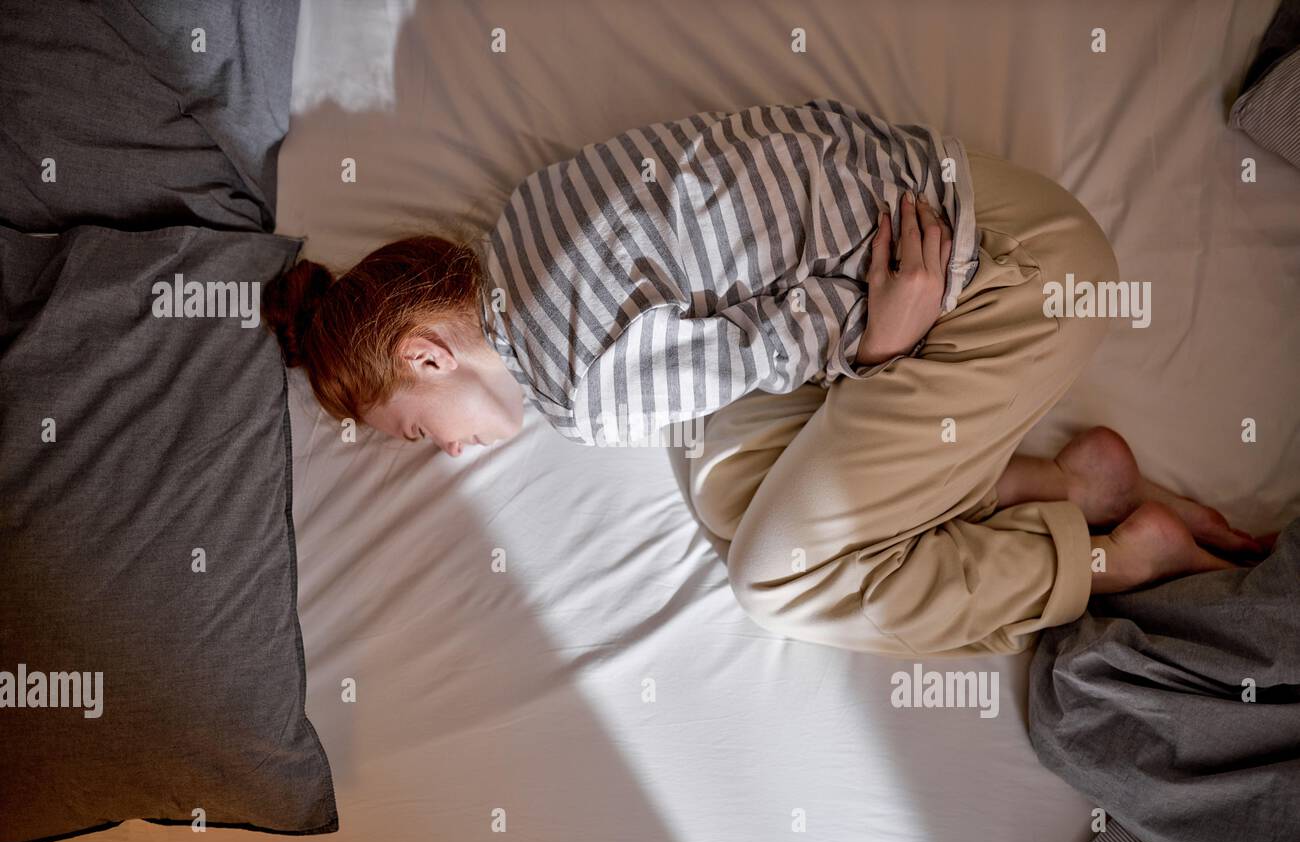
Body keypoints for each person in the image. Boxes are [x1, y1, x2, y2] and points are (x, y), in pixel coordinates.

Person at [264, 100, 1261, 656]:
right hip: (992, 209)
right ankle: (1075, 484)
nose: (444, 452)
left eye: (413, 429)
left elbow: (767, 344)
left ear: (425, 355)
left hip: (1006, 284)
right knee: (734, 483)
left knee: (775, 579)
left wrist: (876, 346)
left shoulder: (581, 389)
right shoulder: (528, 214)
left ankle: (1108, 554)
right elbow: (748, 199)